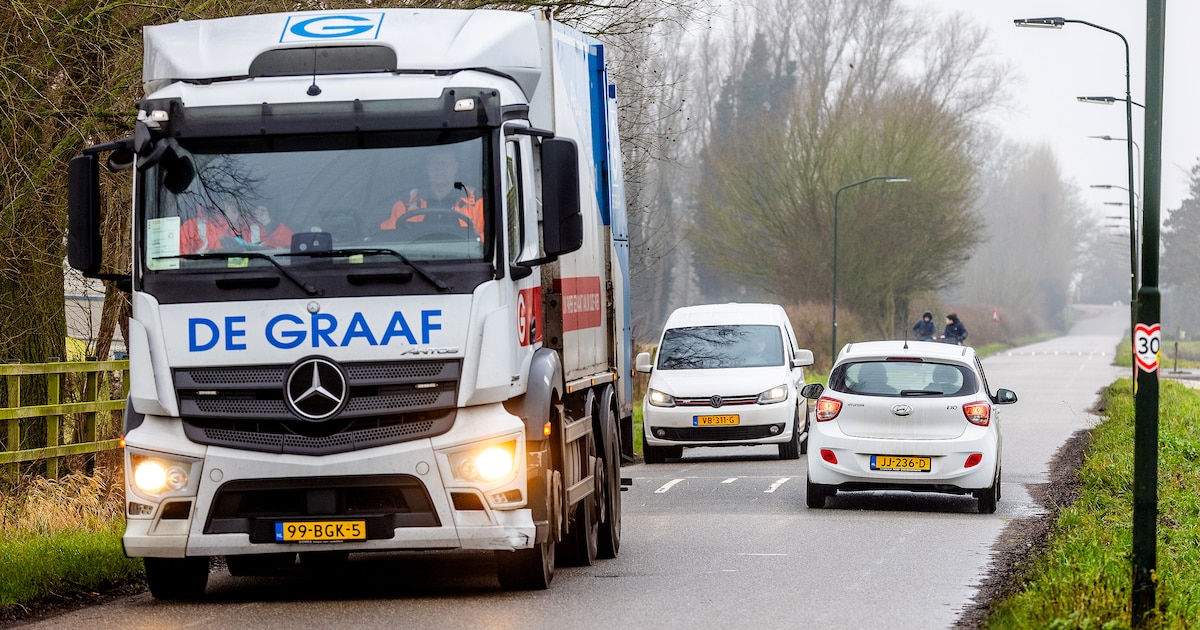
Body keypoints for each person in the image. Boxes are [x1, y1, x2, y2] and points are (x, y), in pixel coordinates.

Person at [380, 146, 484, 236]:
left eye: (444, 164)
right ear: (427, 168)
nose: (439, 168)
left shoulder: (476, 202)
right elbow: (388, 239)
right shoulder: (406, 203)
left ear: (455, 167)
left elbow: (487, 241)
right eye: (434, 164)